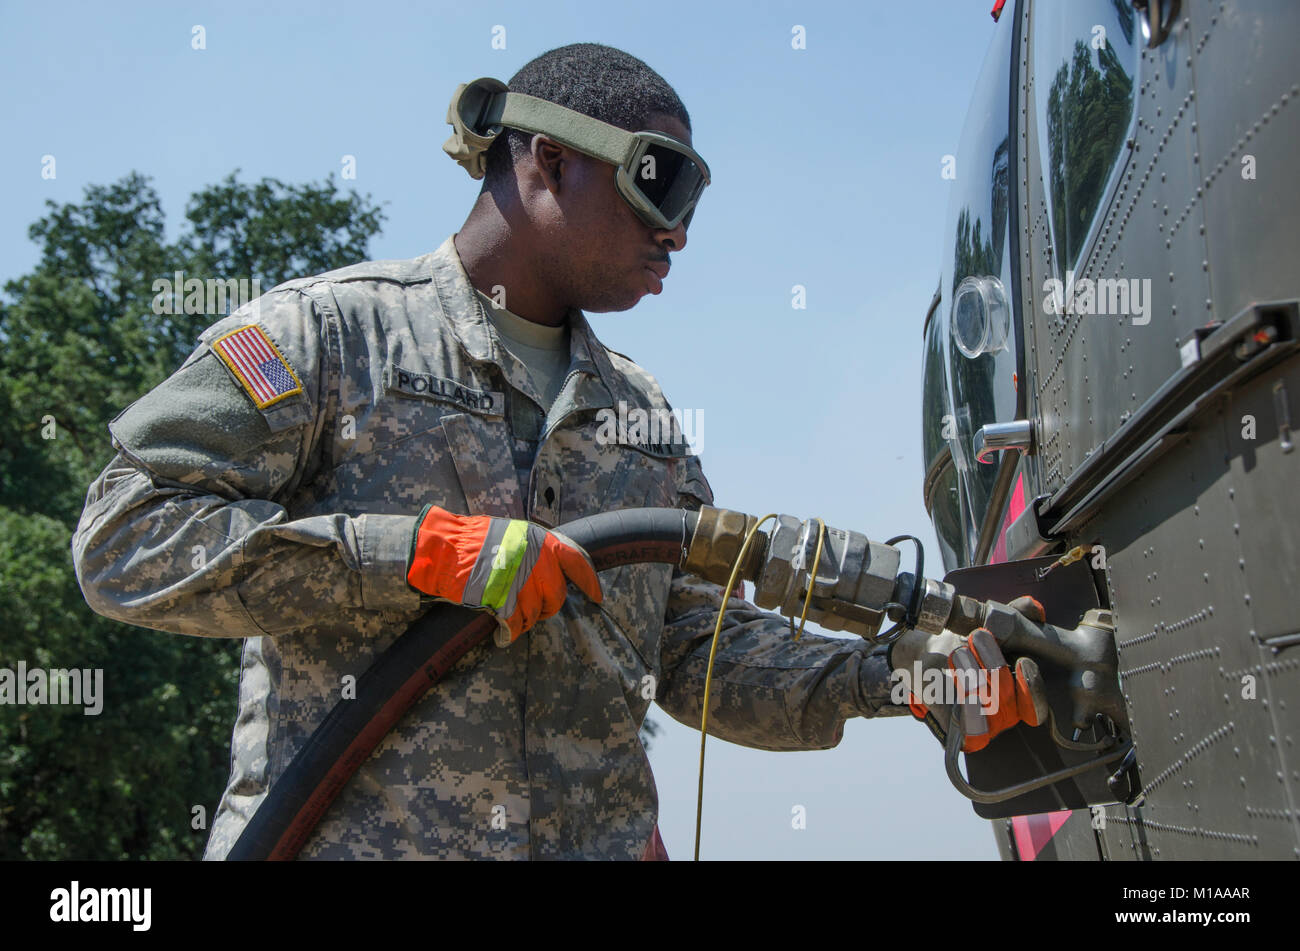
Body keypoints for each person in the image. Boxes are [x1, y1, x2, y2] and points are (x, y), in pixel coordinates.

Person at [71, 43, 1038, 860]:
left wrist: (895, 676)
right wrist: (414, 557)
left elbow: (703, 653)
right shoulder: (330, 336)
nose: (679, 234)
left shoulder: (644, 416)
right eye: (660, 182)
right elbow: (125, 536)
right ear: (547, 162)